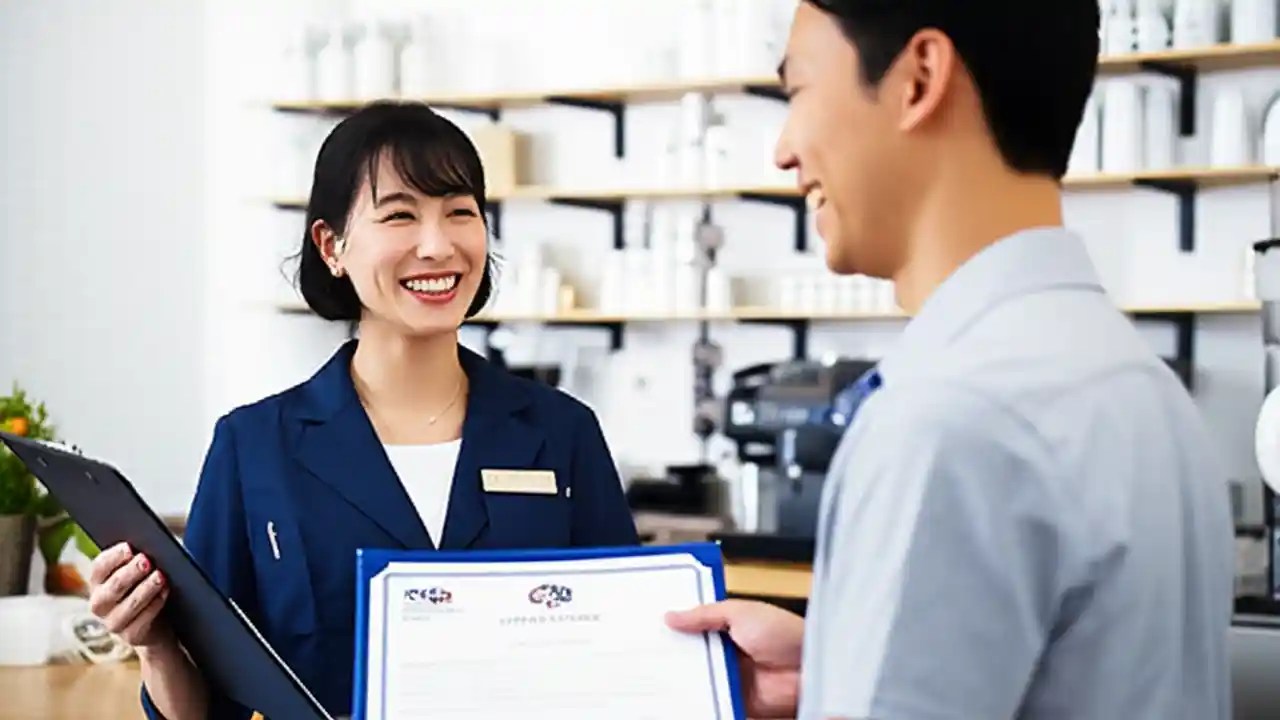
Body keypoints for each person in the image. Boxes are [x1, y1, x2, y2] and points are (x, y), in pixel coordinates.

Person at [668, 2, 1233, 719]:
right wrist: (841, 667)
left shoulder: (947, 421)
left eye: (798, 90)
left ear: (919, 78)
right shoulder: (1143, 387)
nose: (783, 150)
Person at [84, 101, 641, 720]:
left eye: (460, 212)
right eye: (400, 215)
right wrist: (156, 643)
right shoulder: (254, 447)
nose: (438, 245)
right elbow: (210, 710)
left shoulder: (562, 433)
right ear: (331, 246)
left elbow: (628, 661)